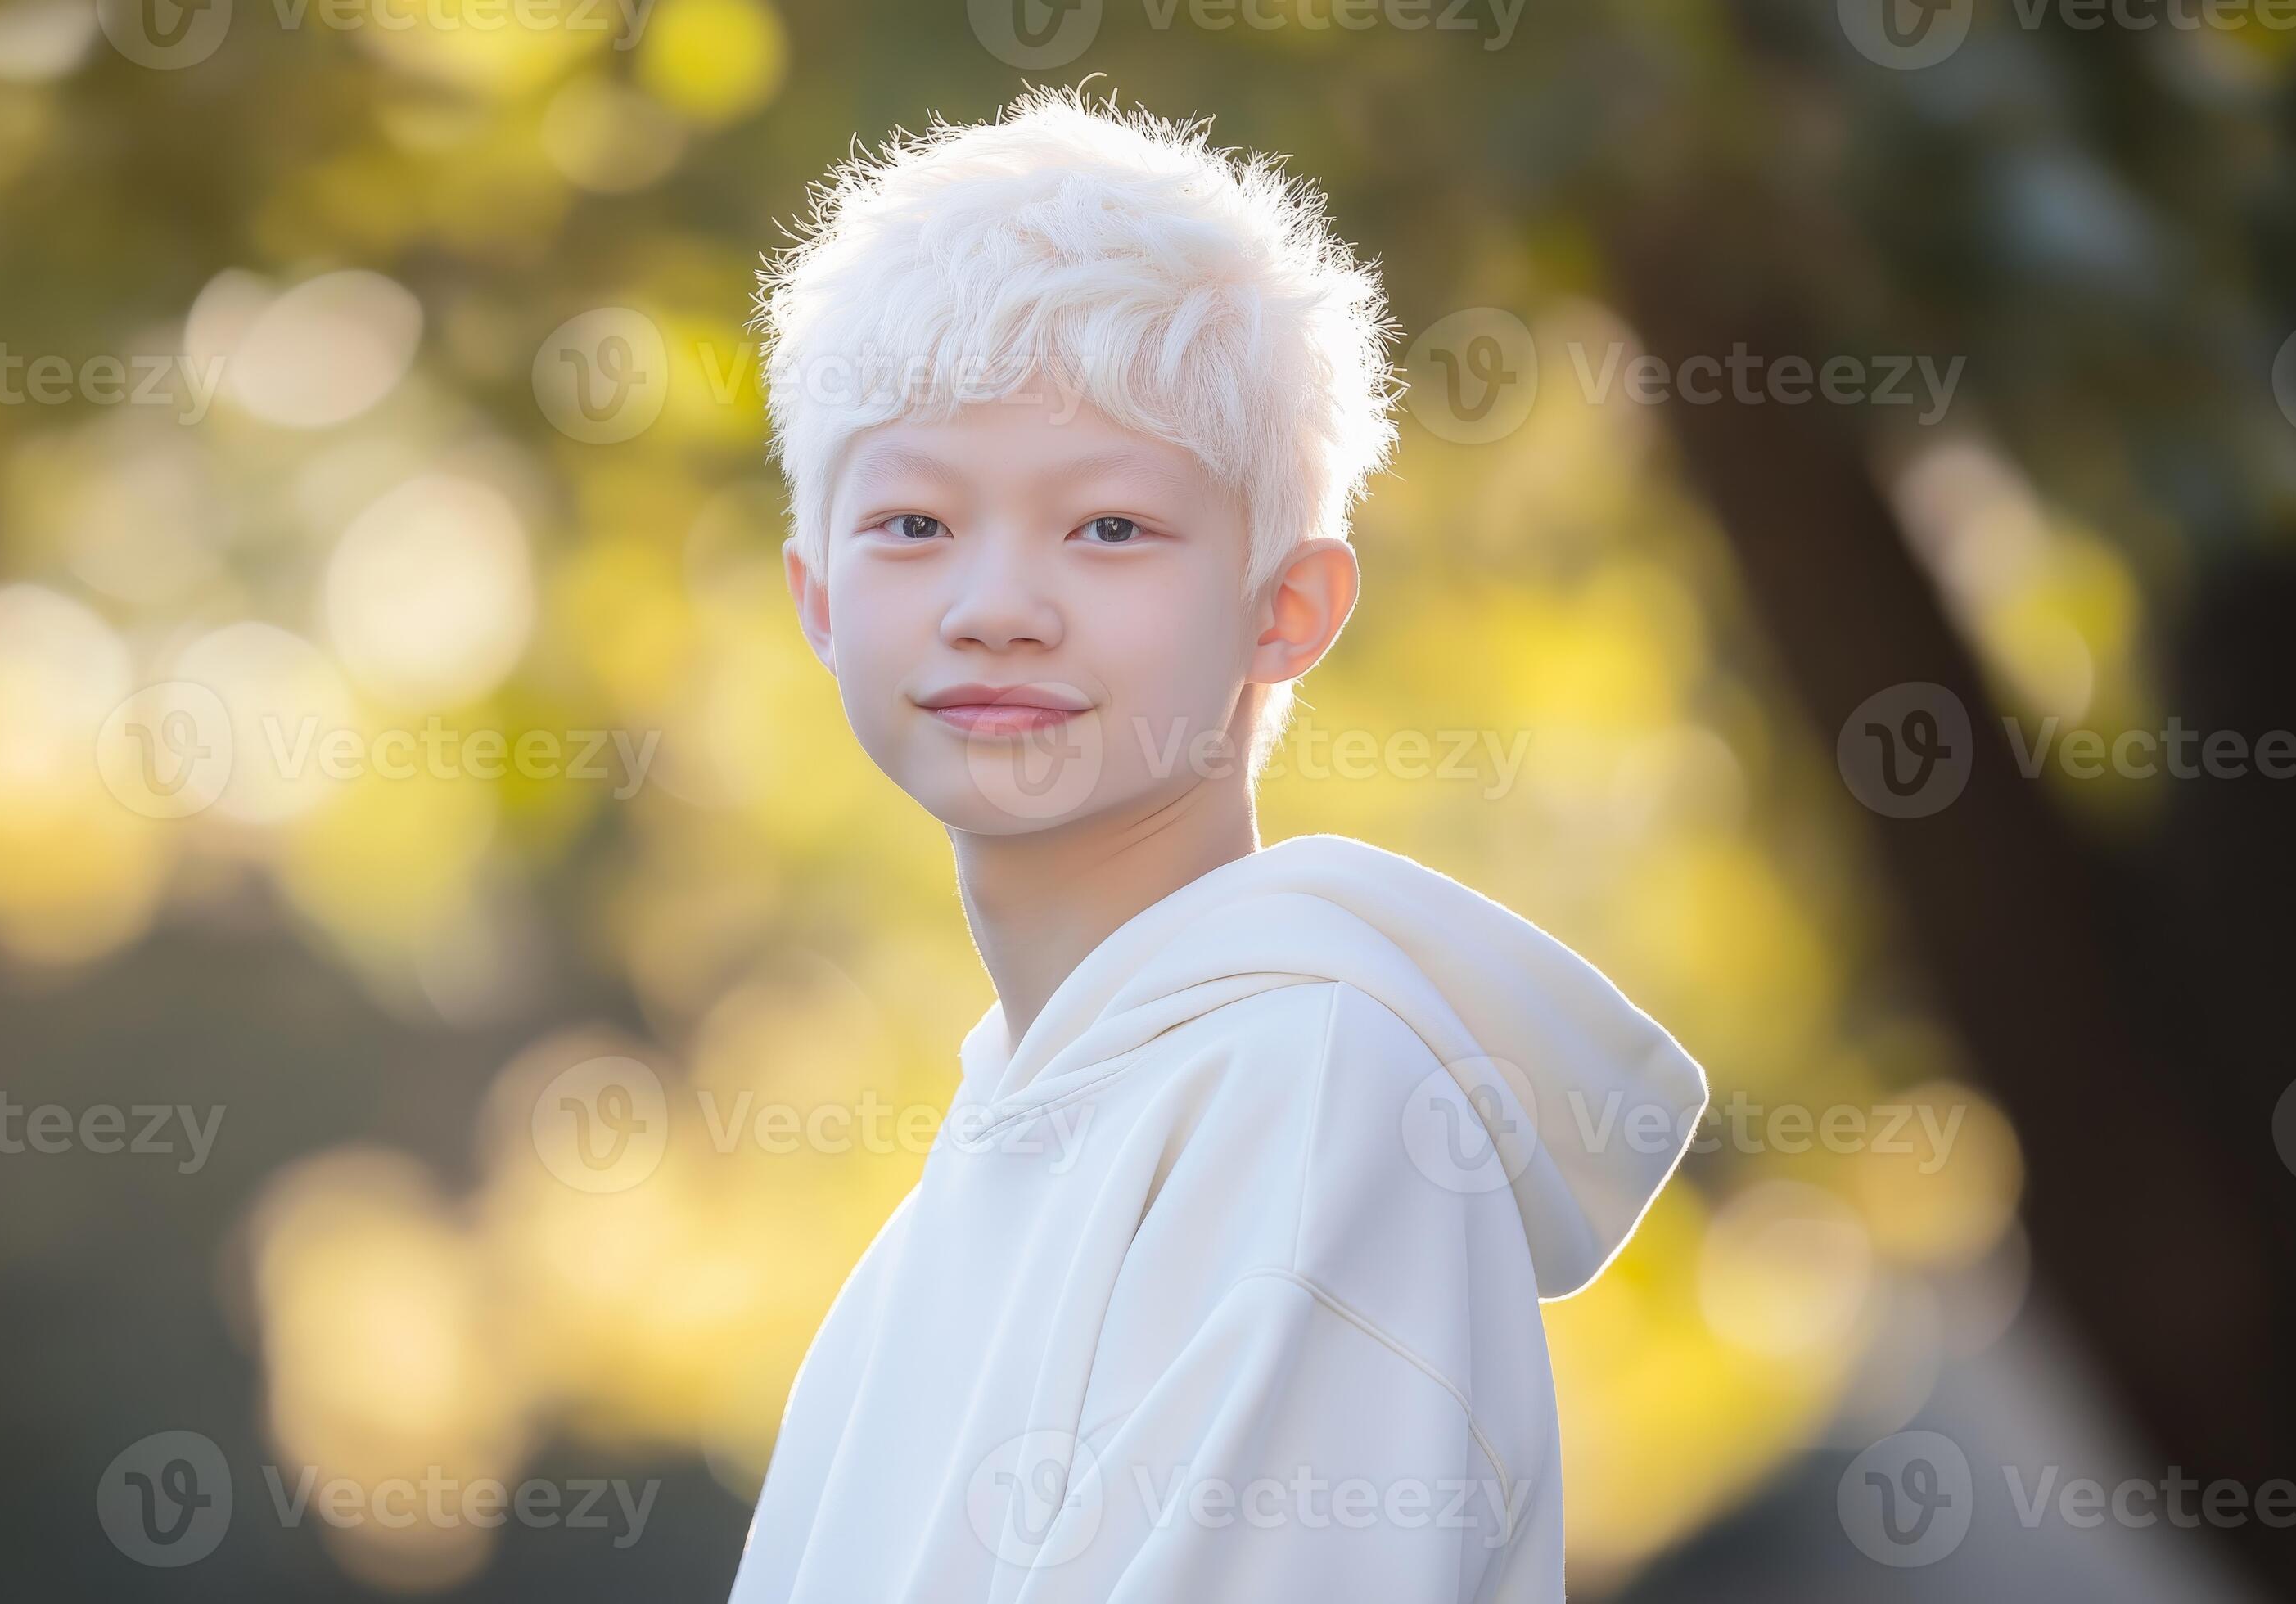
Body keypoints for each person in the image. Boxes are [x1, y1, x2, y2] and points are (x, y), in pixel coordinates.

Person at [729, 85, 1708, 1602]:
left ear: (1287, 609)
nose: (997, 602)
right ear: (814, 598)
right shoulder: (976, 1181)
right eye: (913, 526)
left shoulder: (1312, 1092)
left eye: (1109, 528)